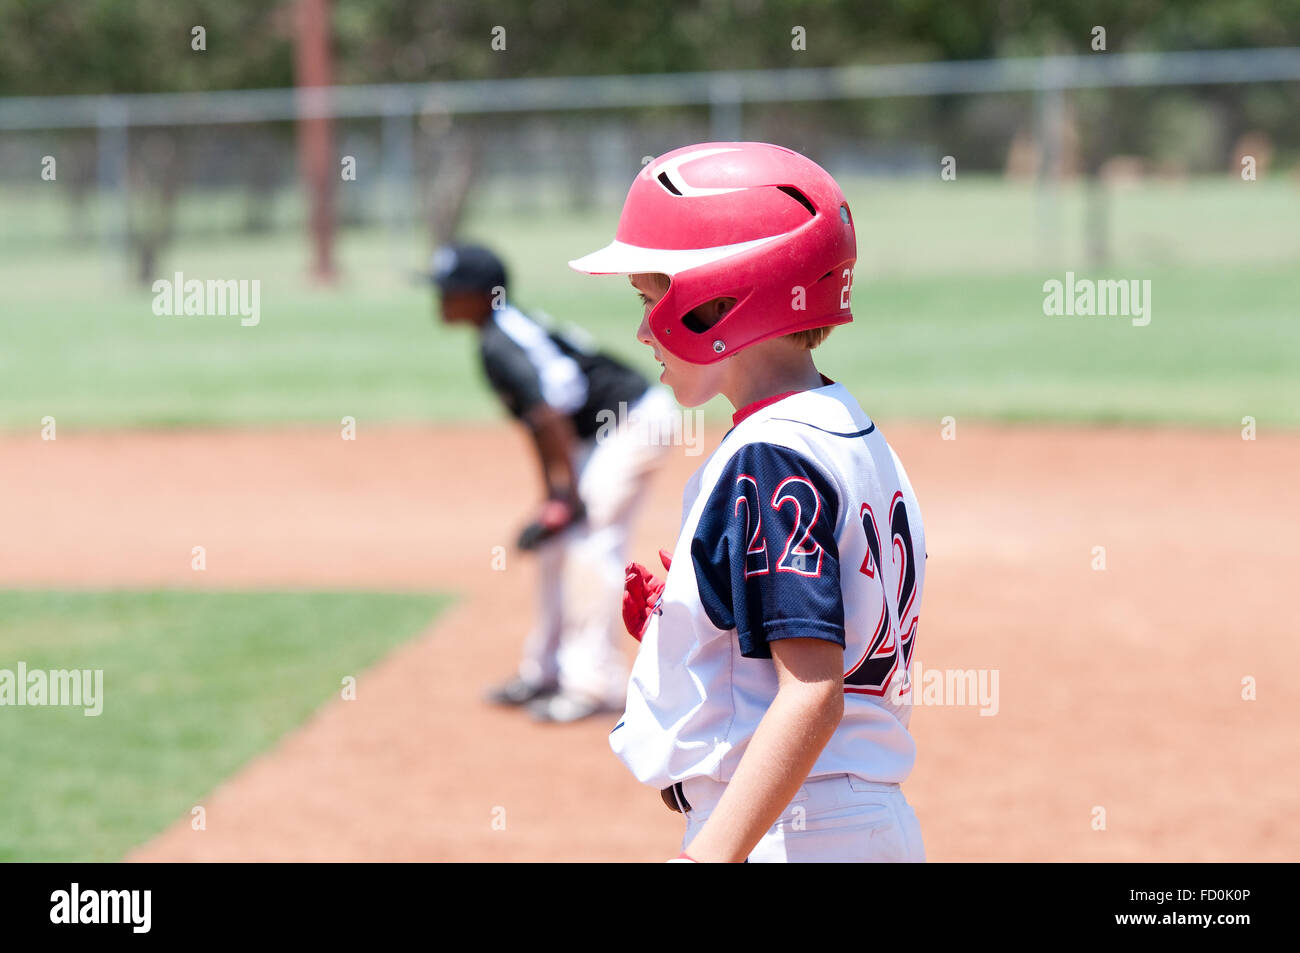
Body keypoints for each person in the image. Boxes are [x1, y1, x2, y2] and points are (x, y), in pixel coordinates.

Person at [569, 142, 927, 861]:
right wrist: (694, 620)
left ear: (725, 296)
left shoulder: (769, 456)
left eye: (651, 299)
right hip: (851, 820)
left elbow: (811, 692)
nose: (643, 331)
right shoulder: (845, 428)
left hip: (790, 830)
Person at [430, 243, 676, 723]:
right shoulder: (495, 335)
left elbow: (548, 413)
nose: (440, 298)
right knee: (556, 542)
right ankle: (544, 671)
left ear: (481, 295)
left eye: (450, 289)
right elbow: (539, 424)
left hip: (632, 421)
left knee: (588, 541)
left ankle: (592, 684)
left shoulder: (502, 341)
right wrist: (554, 500)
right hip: (596, 435)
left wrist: (567, 500)